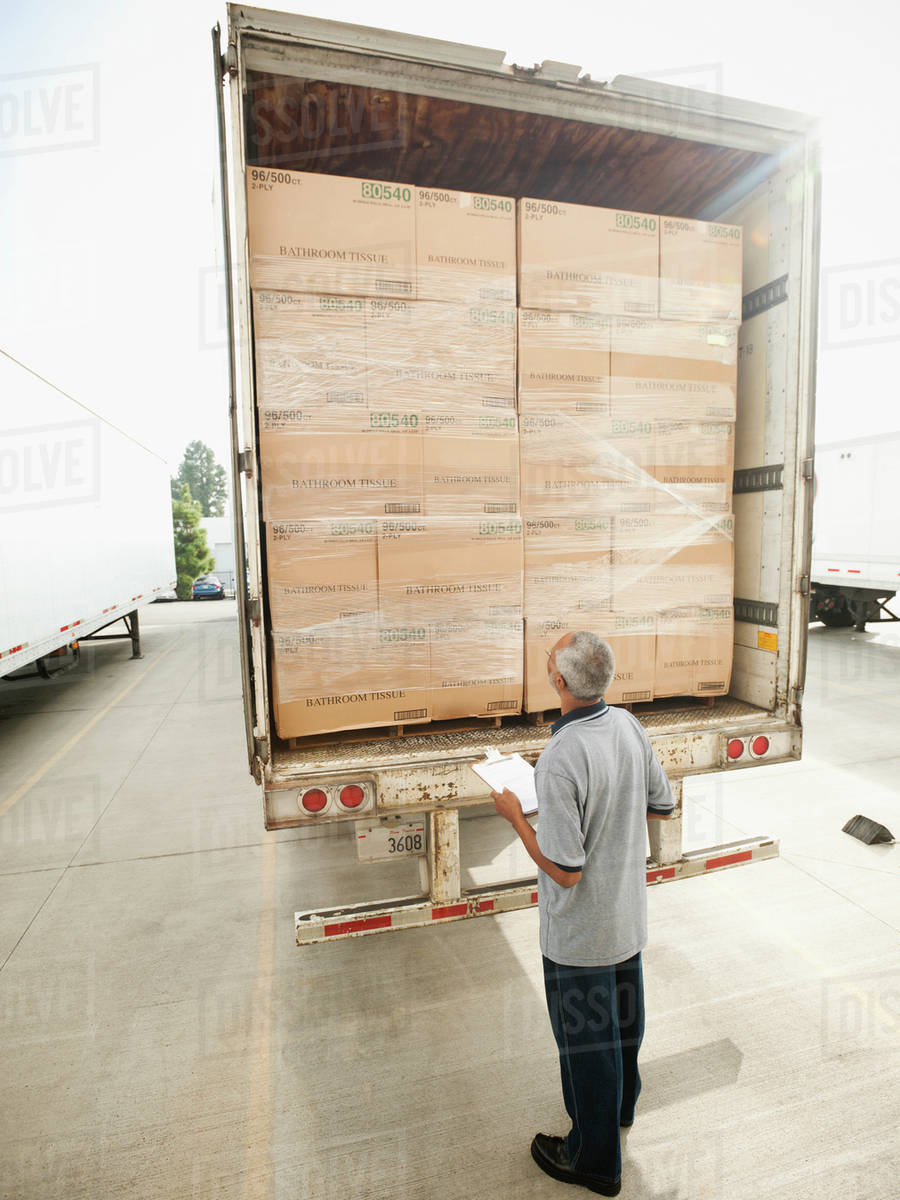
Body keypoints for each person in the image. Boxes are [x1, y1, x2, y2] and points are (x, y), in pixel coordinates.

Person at [492, 629, 675, 1197]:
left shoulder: (560, 758)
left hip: (581, 935)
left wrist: (517, 816)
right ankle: (620, 1112)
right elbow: (661, 804)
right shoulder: (627, 725)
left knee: (587, 1048)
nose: (547, 662)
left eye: (551, 657)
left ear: (561, 680)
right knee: (624, 1029)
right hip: (625, 919)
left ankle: (593, 1159)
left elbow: (565, 869)